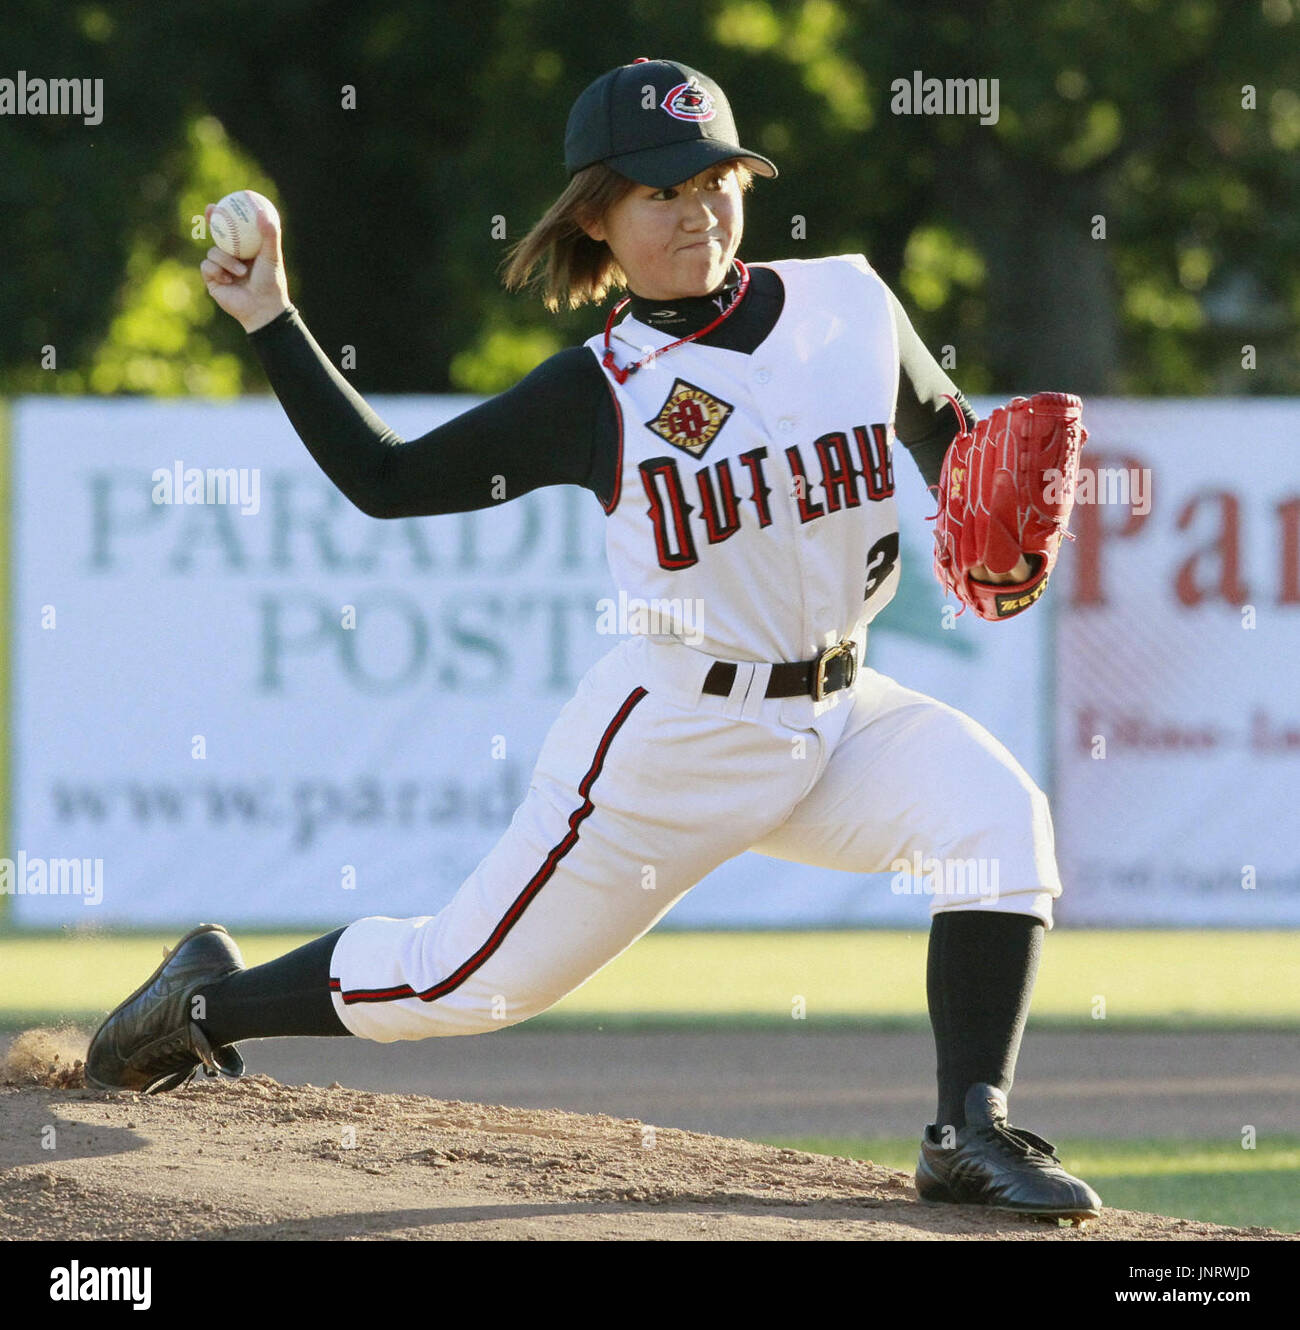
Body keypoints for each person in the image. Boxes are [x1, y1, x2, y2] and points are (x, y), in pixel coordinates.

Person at [87, 58, 1100, 1220]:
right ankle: (204, 1001)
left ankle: (965, 1128)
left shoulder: (851, 306)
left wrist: (992, 513)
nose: (699, 209)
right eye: (662, 192)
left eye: (717, 178)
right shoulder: (602, 391)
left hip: (838, 711)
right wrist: (270, 319)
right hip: (673, 739)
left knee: (995, 816)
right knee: (456, 982)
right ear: (598, 217)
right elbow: (386, 479)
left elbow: (955, 451)